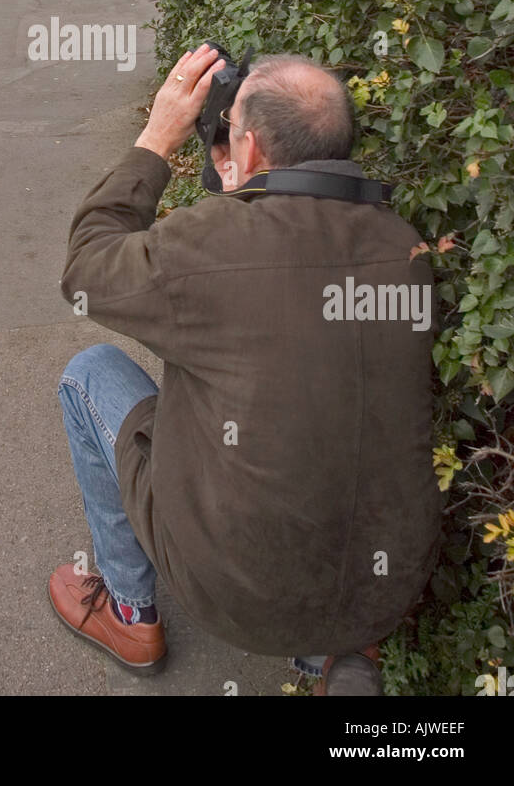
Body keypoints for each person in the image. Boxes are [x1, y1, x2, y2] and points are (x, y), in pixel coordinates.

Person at [51, 46, 441, 695]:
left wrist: (158, 136)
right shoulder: (405, 248)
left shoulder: (215, 244)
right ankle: (330, 655)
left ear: (251, 150)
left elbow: (86, 268)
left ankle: (130, 615)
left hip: (240, 595)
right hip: (386, 592)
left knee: (89, 373)